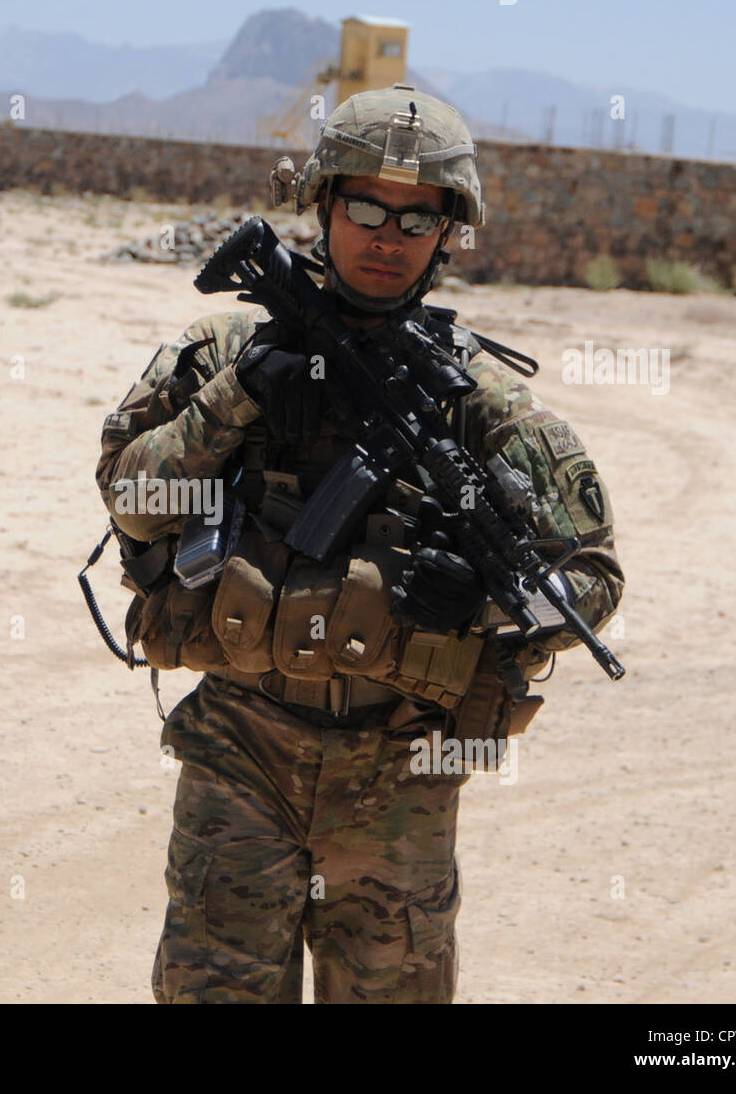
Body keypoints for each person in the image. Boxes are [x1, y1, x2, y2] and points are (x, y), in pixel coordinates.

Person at [94, 84, 624, 1004]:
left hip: (402, 774)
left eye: (417, 218)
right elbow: (134, 502)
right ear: (325, 205)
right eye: (368, 207)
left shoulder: (480, 401)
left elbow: (592, 581)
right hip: (239, 752)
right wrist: (242, 393)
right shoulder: (228, 348)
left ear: (448, 234)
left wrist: (485, 598)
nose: (388, 235)